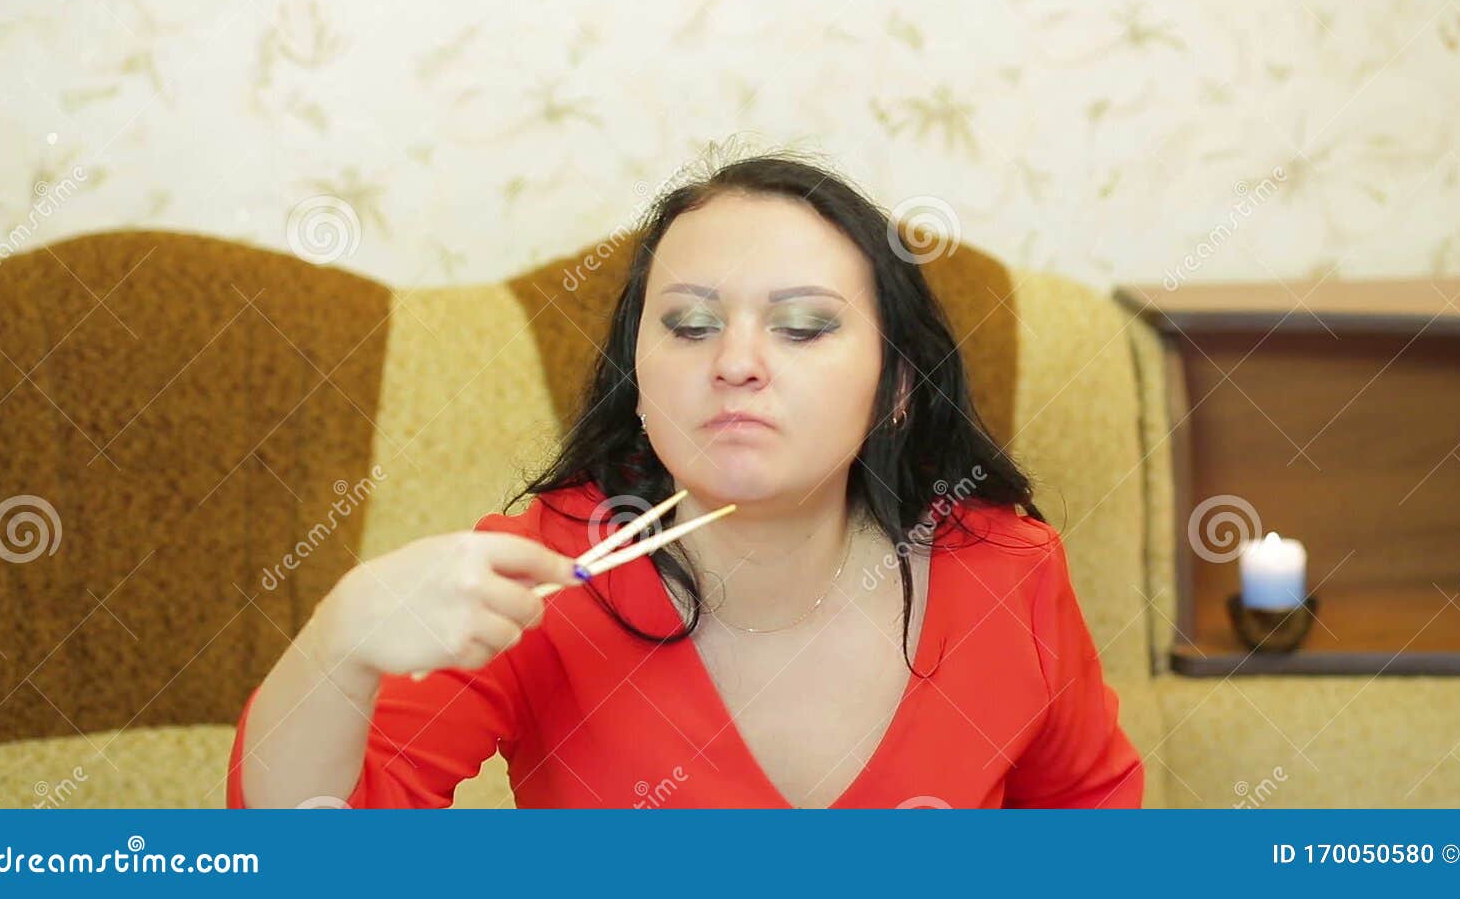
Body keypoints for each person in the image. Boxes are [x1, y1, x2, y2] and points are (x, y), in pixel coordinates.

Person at [227, 154, 1145, 809]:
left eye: (803, 327)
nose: (737, 362)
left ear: (896, 387)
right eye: (692, 323)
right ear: (639, 373)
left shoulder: (1009, 572)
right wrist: (340, 636)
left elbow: (1095, 820)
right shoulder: (542, 574)